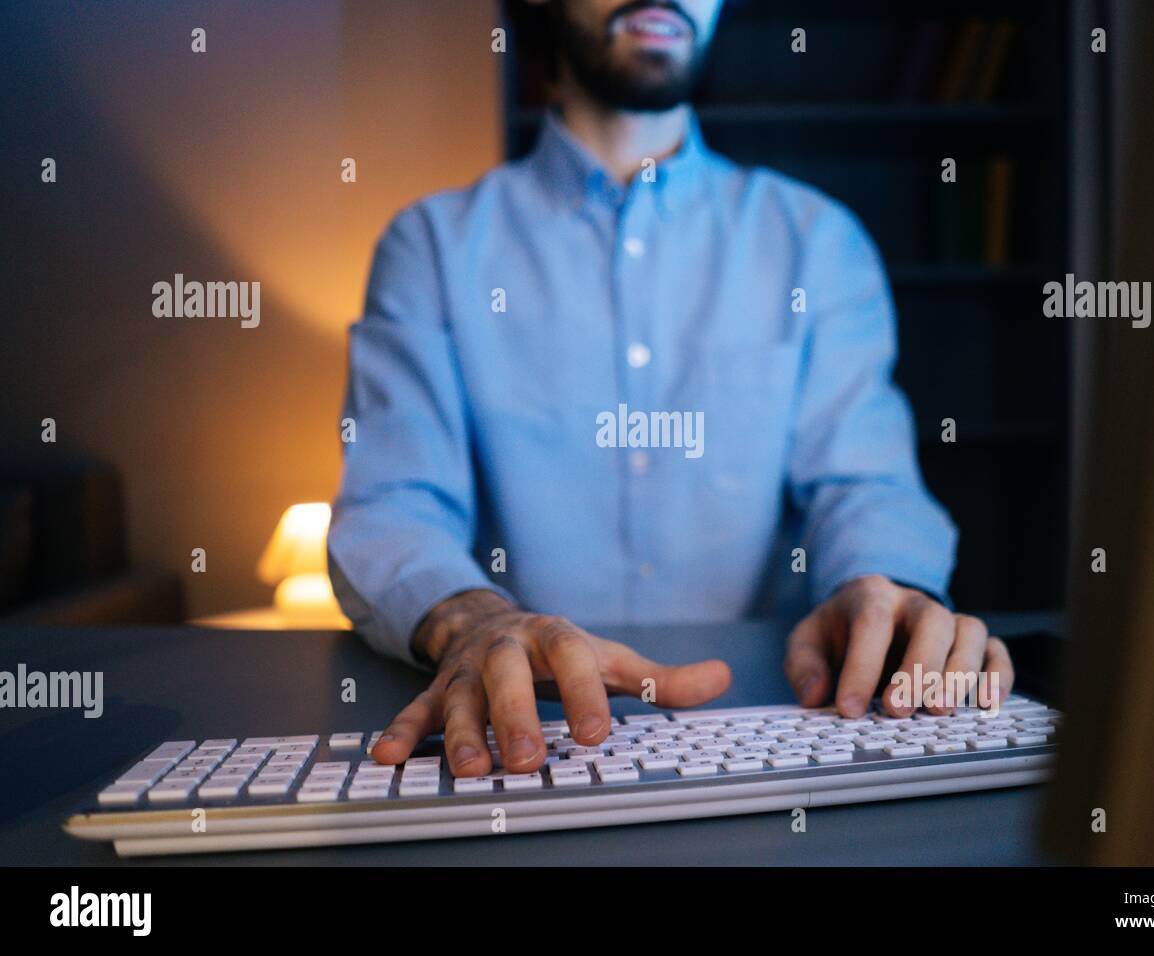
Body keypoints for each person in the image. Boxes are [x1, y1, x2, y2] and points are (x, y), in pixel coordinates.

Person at [327, 0, 1013, 778]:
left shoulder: (819, 240)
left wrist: (882, 586)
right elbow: (391, 503)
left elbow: (864, 481)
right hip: (516, 742)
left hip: (783, 734)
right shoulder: (429, 247)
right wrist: (473, 622)